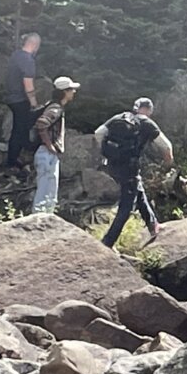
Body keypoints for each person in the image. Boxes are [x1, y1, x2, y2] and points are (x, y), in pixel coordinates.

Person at [96, 97, 173, 247]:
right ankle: (107, 242)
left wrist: (110, 153)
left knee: (138, 190)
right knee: (126, 207)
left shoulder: (119, 117)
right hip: (129, 167)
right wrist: (168, 163)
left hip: (112, 165)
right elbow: (166, 146)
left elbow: (98, 133)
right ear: (148, 110)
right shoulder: (147, 123)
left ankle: (153, 225)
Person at [31, 76, 79, 213]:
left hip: (46, 153)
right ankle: (40, 219)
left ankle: (44, 217)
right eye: (71, 89)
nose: (74, 92)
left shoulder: (52, 105)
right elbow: (42, 123)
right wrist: (49, 145)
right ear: (65, 92)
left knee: (49, 190)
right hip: (47, 153)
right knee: (46, 191)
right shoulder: (56, 108)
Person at [2, 32, 40, 173]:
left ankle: (21, 153)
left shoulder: (16, 55)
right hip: (20, 99)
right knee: (19, 130)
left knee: (22, 127)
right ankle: (11, 162)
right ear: (34, 44)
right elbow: (28, 83)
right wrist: (34, 102)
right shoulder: (27, 60)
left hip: (11, 97)